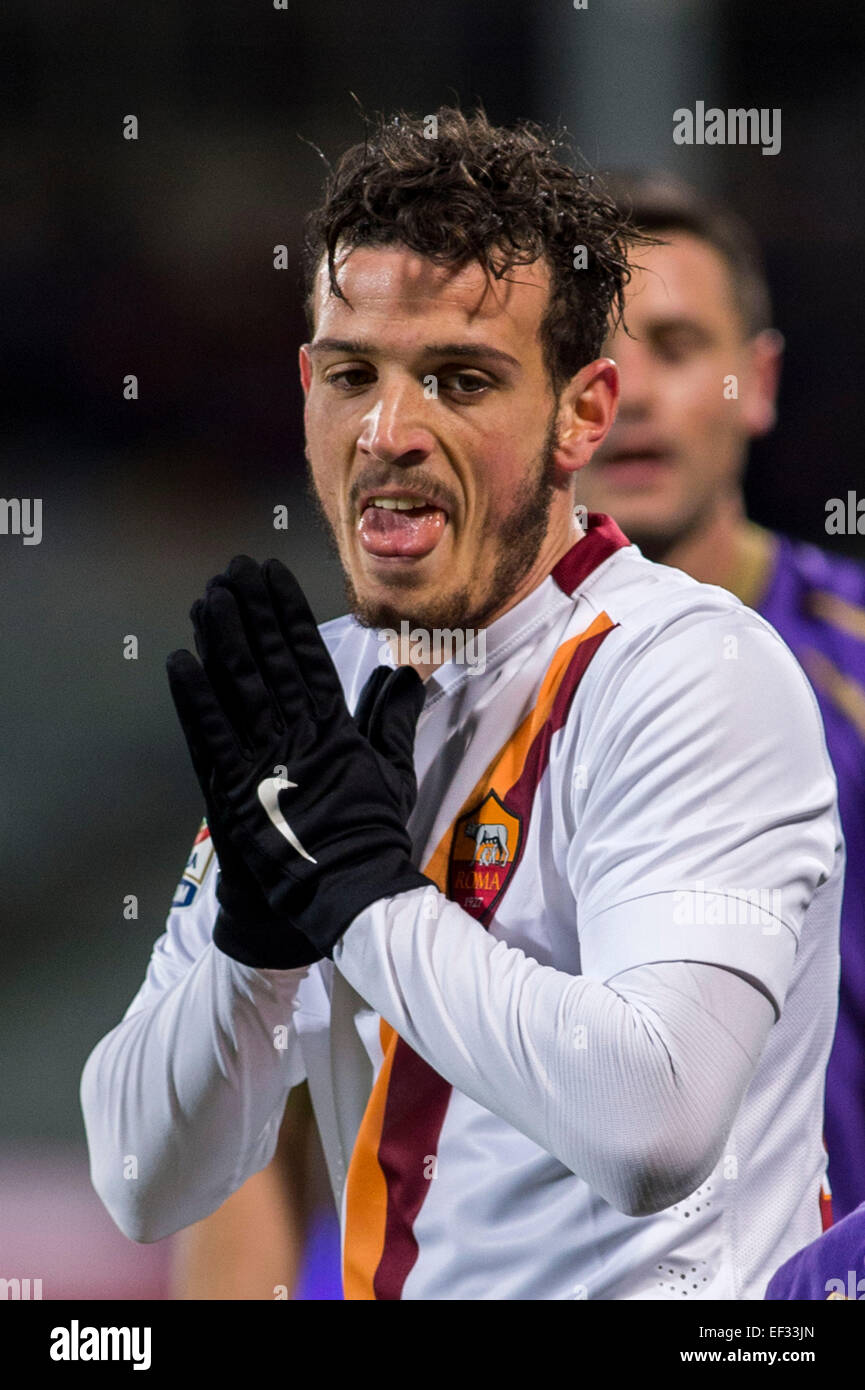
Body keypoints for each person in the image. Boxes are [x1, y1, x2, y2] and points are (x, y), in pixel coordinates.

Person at [81, 108, 844, 1301]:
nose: (389, 430)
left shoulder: (697, 672)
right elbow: (139, 1178)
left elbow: (652, 1128)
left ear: (581, 414)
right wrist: (257, 950)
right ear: (304, 388)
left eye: (459, 378)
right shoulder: (313, 691)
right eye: (352, 375)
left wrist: (369, 905)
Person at [575, 172, 865, 1223]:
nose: (631, 393)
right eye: (585, 352)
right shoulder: (426, 698)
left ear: (760, 377)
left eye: (678, 344)